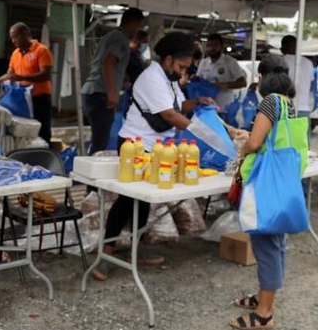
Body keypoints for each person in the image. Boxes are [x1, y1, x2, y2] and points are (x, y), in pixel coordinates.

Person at [93, 32, 246, 281]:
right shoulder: (152, 78)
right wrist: (204, 132)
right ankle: (105, 255)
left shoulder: (169, 78)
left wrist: (197, 101)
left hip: (156, 147)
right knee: (127, 200)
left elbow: (179, 106)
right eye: (182, 66)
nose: (184, 72)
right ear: (168, 60)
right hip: (135, 144)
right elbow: (169, 115)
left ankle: (135, 252)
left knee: (143, 202)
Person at [230, 55, 301, 330]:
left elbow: (256, 142)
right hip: (282, 179)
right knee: (276, 241)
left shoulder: (270, 101)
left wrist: (243, 147)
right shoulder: (287, 102)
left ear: (263, 77)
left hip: (266, 182)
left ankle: (264, 313)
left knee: (265, 243)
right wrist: (249, 136)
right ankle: (264, 298)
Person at [81, 7, 145, 155]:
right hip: (101, 93)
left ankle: (91, 163)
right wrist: (112, 91)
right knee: (100, 142)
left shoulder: (110, 36)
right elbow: (108, 62)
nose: (137, 31)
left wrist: (122, 80)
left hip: (93, 92)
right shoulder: (120, 38)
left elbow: (108, 64)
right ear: (133, 23)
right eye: (138, 26)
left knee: (98, 139)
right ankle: (91, 167)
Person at [0, 22, 54, 143]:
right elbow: (10, 74)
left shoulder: (41, 50)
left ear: (25, 34)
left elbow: (45, 75)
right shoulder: (15, 54)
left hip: (39, 98)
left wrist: (22, 77)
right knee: (24, 129)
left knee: (42, 131)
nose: (13, 41)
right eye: (12, 37)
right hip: (22, 99)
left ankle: (45, 152)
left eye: (15, 37)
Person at [196, 33, 247, 110]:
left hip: (224, 108)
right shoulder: (203, 62)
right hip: (206, 108)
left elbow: (243, 82)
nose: (212, 48)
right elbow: (198, 79)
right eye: (209, 45)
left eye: (215, 45)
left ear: (222, 47)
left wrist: (222, 85)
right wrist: (194, 79)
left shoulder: (230, 61)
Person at [281, 35, 315, 117]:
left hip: (285, 108)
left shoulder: (280, 61)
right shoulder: (308, 63)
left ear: (282, 48)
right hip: (304, 108)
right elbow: (311, 85)